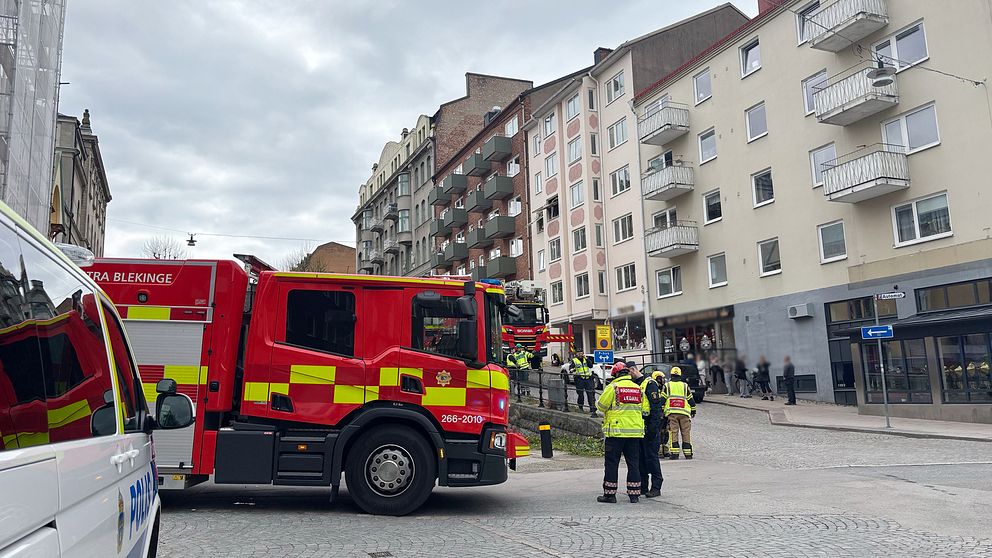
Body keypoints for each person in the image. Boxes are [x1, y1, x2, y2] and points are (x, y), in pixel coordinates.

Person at [596, 364, 649, 503]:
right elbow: (645, 409)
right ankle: (634, 495)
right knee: (633, 464)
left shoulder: (613, 387)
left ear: (615, 375)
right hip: (635, 434)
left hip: (616, 433)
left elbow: (601, 406)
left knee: (612, 464)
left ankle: (610, 494)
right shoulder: (638, 389)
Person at [631, 364, 664, 498]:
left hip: (650, 426)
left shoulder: (650, 384)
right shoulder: (633, 384)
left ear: (633, 370)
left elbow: (656, 408)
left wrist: (653, 428)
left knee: (651, 458)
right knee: (640, 459)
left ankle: (656, 487)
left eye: (629, 372)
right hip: (638, 427)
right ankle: (643, 487)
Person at [661, 366, 696, 460]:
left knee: (674, 432)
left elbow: (662, 400)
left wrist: (662, 411)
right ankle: (688, 454)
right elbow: (690, 399)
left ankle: (675, 454)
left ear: (671, 375)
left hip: (672, 413)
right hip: (684, 413)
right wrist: (693, 410)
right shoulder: (685, 386)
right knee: (686, 433)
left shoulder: (667, 386)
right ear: (680, 375)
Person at [651, 371, 670, 458]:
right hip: (658, 414)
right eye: (661, 379)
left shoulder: (664, 388)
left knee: (665, 432)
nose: (662, 380)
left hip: (665, 414)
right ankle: (658, 451)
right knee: (658, 433)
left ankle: (665, 450)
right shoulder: (654, 389)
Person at [572, 351, 597, 417]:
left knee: (590, 393)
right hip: (579, 379)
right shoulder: (574, 360)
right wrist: (573, 370)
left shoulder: (586, 359)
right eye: (579, 353)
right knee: (580, 394)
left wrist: (586, 359)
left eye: (582, 353)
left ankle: (592, 408)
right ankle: (580, 407)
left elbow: (590, 366)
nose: (580, 354)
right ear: (576, 354)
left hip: (588, 378)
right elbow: (571, 368)